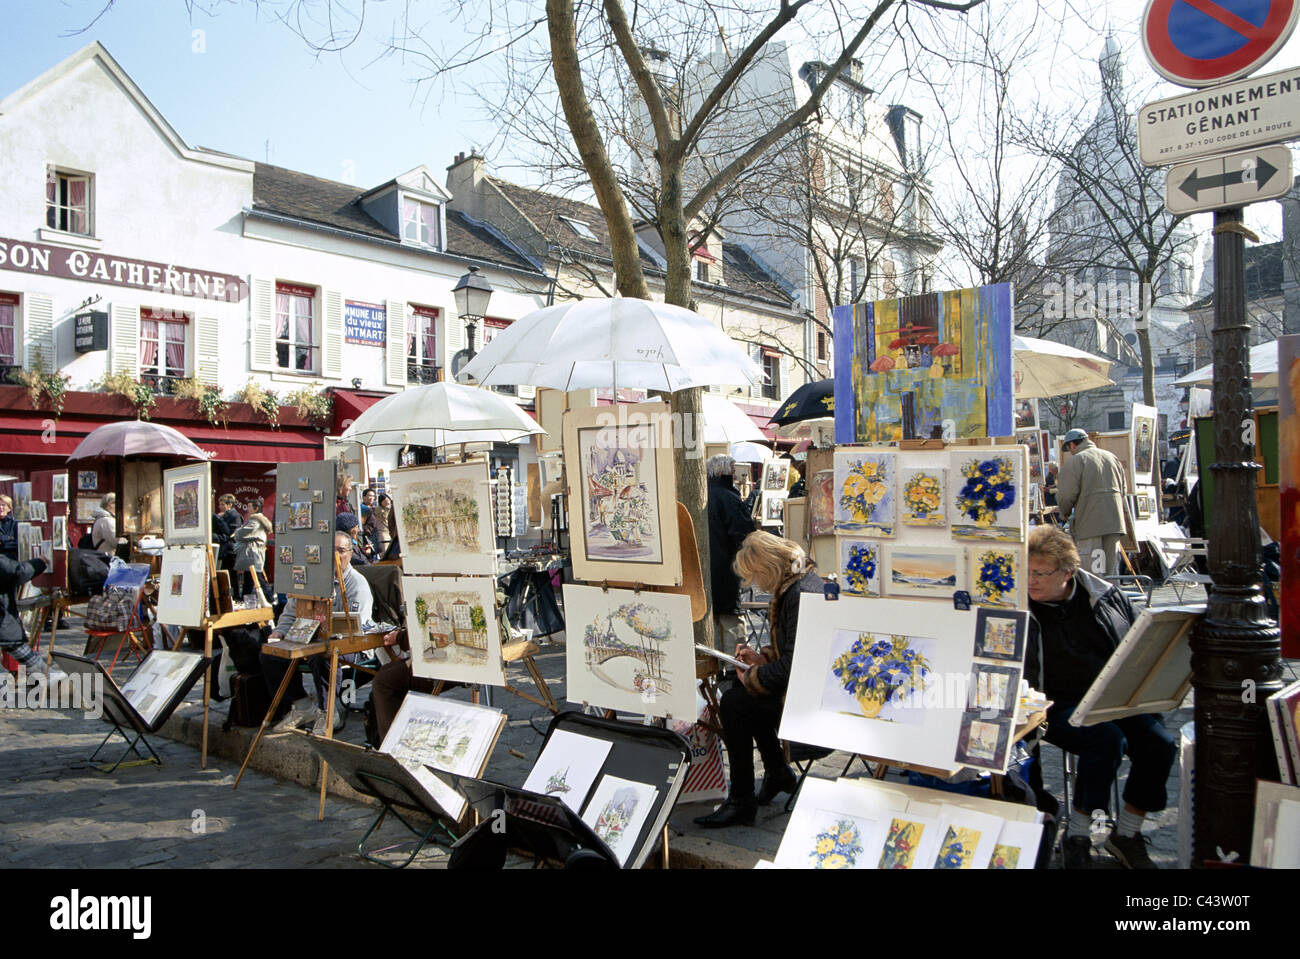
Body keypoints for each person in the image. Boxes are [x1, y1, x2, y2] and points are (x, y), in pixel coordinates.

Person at [1026, 526, 1175, 869]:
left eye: (1040, 573)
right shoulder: (1021, 607)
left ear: (1068, 572)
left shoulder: (1103, 596)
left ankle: (1127, 832)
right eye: (1028, 571)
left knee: (1160, 744)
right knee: (1106, 741)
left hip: (1109, 697)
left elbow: (1140, 639)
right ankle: (1078, 834)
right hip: (1051, 706)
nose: (1031, 580)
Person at [695, 530, 823, 827]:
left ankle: (742, 799)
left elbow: (795, 665)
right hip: (803, 687)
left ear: (768, 567)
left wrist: (754, 674)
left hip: (810, 699)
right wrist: (761, 660)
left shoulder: (799, 594)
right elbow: (791, 653)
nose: (753, 584)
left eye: (754, 576)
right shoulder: (798, 584)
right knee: (741, 697)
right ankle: (775, 772)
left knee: (735, 702)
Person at [261, 532, 375, 734]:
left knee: (323, 654)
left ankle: (328, 711)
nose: (335, 555)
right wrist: (279, 633)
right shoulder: (312, 578)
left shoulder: (357, 584)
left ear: (350, 553)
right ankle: (302, 705)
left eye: (341, 551)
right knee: (271, 653)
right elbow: (291, 611)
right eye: (331, 550)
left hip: (351, 642)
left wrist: (325, 631)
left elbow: (356, 623)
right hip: (311, 638)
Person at [1056, 428, 1126, 576]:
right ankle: (1112, 599)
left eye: (1069, 449)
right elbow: (1123, 490)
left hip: (1090, 525)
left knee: (1093, 574)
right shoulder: (1111, 457)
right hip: (1114, 523)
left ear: (1072, 445)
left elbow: (1066, 496)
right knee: (1112, 573)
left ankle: (1096, 599)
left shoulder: (1076, 461)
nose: (1071, 452)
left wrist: (1064, 514)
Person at [706, 454, 754, 651]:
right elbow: (745, 535)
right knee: (730, 619)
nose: (735, 475)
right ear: (722, 471)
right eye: (732, 470)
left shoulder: (704, 493)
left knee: (712, 617)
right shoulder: (728, 497)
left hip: (706, 568)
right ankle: (734, 666)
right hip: (727, 567)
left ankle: (717, 663)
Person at [1, 551, 51, 677]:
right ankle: (50, 678)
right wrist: (39, 562)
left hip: (5, 626)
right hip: (3, 623)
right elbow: (18, 572)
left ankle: (49, 678)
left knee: (28, 659)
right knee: (30, 661)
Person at [232, 512, 272, 602]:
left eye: (249, 507)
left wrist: (237, 531)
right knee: (250, 578)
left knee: (256, 578)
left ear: (255, 509)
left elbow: (242, 533)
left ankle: (269, 598)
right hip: (254, 553)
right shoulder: (260, 522)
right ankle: (245, 599)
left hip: (251, 554)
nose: (248, 509)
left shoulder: (254, 521)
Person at [365, 493, 392, 559]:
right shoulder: (379, 509)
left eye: (388, 500)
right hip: (382, 533)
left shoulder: (389, 509)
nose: (387, 502)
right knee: (384, 551)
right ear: (381, 502)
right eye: (385, 501)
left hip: (389, 532)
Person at [0, 495, 17, 561]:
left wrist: (2, 540)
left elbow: (17, 543)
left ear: (9, 508)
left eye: (3, 505)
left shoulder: (14, 524)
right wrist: (8, 538)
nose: (0, 507)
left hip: (11, 561)